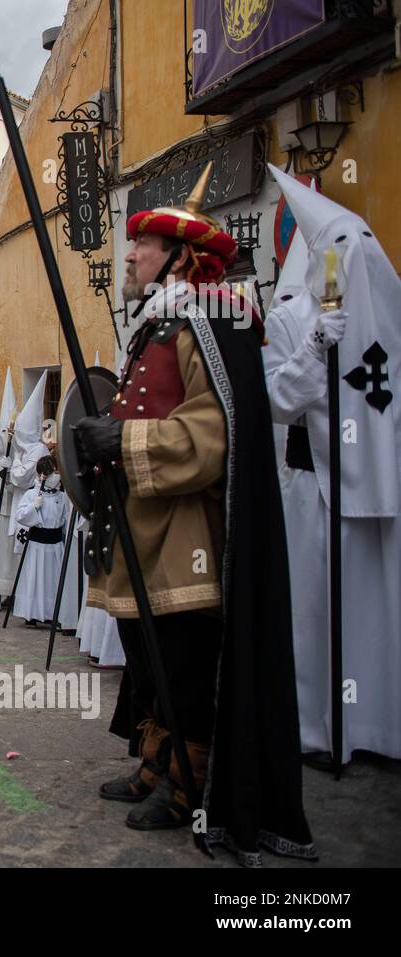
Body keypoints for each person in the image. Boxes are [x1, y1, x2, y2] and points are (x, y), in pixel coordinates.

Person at [71, 167, 314, 863]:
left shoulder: (209, 321)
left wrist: (124, 440)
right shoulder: (153, 327)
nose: (130, 255)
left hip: (183, 533)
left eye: (143, 246)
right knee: (145, 658)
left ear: (179, 258)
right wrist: (95, 446)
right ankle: (155, 757)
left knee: (182, 658)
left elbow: (214, 433)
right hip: (135, 525)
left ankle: (190, 777)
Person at [264, 166, 401, 766]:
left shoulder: (388, 309)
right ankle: (320, 726)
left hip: (377, 486)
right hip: (313, 486)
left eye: (364, 242)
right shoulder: (291, 317)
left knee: (371, 610)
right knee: (314, 615)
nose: (359, 257)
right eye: (345, 247)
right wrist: (316, 348)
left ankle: (375, 724)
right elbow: (276, 400)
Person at [9, 455, 77, 628]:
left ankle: (54, 613)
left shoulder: (62, 497)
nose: (57, 476)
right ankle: (32, 613)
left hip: (55, 546)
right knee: (35, 579)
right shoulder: (32, 494)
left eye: (57, 472)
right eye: (53, 472)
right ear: (43, 475)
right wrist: (34, 507)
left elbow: (65, 520)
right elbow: (20, 516)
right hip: (37, 546)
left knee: (54, 581)